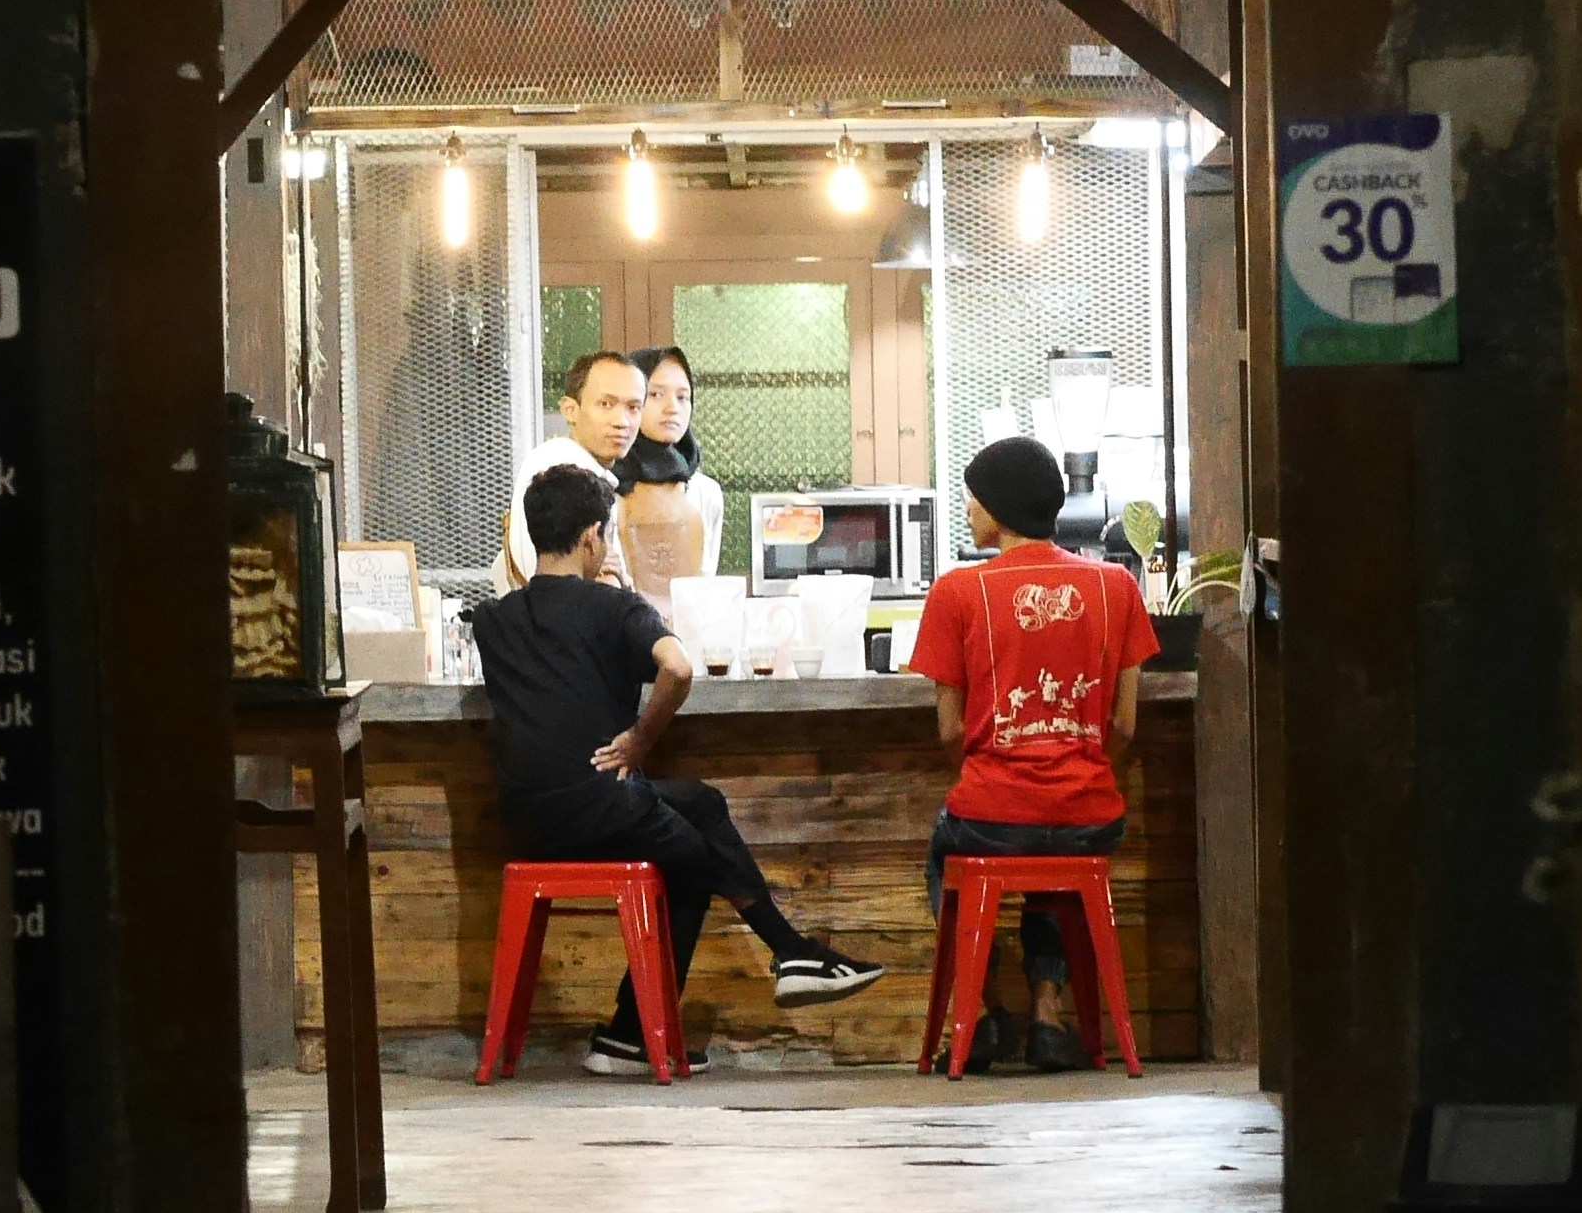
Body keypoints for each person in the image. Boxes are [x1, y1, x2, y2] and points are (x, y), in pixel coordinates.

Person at [473, 462, 885, 1073]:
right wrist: (640, 738)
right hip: (603, 807)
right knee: (694, 862)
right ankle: (641, 1030)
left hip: (528, 820)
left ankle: (789, 956)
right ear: (593, 536)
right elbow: (680, 667)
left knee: (701, 802)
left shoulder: (492, 620)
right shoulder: (614, 609)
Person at [908, 435, 1161, 1072]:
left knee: (949, 853)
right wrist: (1085, 776)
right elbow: (1125, 725)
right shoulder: (1116, 587)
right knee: (1057, 856)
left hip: (990, 810)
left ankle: (986, 1012)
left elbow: (948, 733)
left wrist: (1000, 774)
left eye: (972, 500)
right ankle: (1048, 1016)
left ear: (996, 508)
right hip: (1091, 812)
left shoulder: (957, 592)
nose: (967, 510)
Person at [496, 349, 647, 594]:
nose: (622, 421)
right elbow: (601, 590)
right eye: (606, 404)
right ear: (570, 409)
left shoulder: (566, 464)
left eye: (633, 407)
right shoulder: (567, 473)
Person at [613, 343, 727, 579]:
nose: (672, 408)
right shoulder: (605, 484)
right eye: (655, 394)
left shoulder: (706, 492)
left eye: (683, 397)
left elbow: (705, 584)